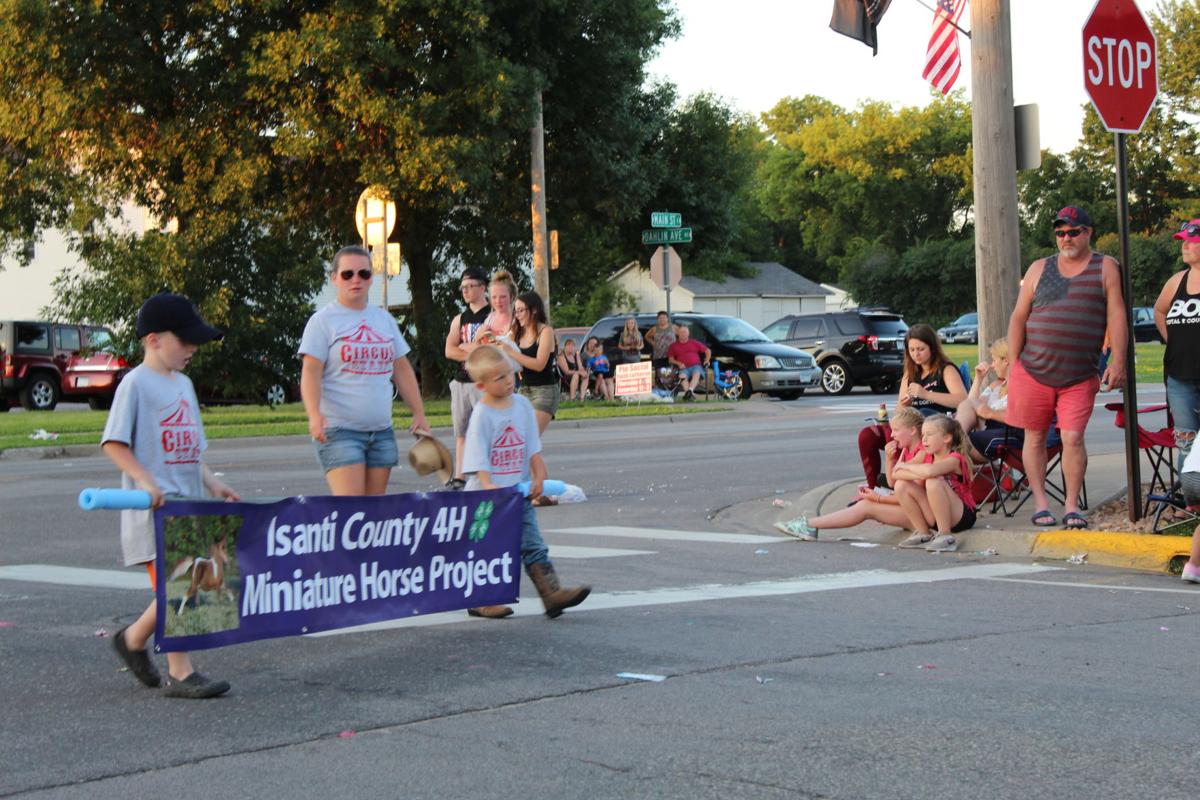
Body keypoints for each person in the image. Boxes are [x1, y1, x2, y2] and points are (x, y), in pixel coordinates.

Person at [101, 293, 239, 699]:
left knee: (186, 588)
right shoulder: (135, 385)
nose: (193, 348)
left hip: (190, 507)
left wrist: (212, 483)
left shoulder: (185, 385)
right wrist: (146, 482)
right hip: (155, 512)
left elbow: (191, 451)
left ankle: (131, 640)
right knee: (183, 590)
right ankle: (181, 673)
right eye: (185, 340)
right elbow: (113, 443)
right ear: (154, 339)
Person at [1007, 206, 1126, 530]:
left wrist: (1118, 360)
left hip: (1078, 375)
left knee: (1072, 437)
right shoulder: (1038, 269)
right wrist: (1014, 364)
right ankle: (1042, 502)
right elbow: (1019, 317)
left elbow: (1116, 315)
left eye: (1073, 231)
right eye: (1060, 232)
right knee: (1034, 438)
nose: (1066, 238)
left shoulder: (1106, 268)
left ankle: (1072, 505)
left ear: (1088, 233)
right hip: (1032, 370)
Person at [460, 345, 591, 618]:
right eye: (499, 378)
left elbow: (531, 445)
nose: (508, 381)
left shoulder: (521, 405)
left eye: (510, 374)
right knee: (489, 548)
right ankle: (481, 599)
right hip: (486, 496)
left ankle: (551, 594)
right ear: (482, 386)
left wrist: (539, 474)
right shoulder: (482, 414)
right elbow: (477, 457)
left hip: (517, 493)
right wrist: (488, 485)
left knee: (533, 543)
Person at [300, 246, 430, 496]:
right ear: (334, 278)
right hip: (340, 431)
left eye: (364, 273)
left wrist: (419, 414)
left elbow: (401, 369)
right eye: (348, 274)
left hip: (380, 431)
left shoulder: (383, 319)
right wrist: (314, 415)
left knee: (373, 516)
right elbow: (310, 372)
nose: (356, 279)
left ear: (372, 278)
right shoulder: (323, 321)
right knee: (352, 514)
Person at [776, 407, 930, 540]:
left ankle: (809, 525)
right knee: (865, 505)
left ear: (912, 430)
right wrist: (890, 459)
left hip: (922, 515)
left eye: (896, 430)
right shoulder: (906, 450)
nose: (891, 435)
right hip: (914, 511)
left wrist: (877, 498)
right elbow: (892, 484)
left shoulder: (921, 454)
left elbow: (907, 494)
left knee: (866, 507)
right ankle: (810, 524)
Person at [857, 323, 967, 488]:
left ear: (932, 348)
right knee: (867, 435)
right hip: (908, 430)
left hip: (934, 428)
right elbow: (900, 413)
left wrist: (926, 394)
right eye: (912, 349)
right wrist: (903, 405)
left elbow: (962, 400)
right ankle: (874, 487)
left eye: (921, 349)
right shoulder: (911, 373)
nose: (916, 354)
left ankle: (896, 481)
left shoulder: (945, 370)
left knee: (916, 417)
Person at [1153, 218, 1200, 469]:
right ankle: (1193, 501)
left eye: (1192, 241)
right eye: (1183, 241)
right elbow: (1159, 311)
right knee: (1187, 442)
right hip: (1179, 376)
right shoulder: (1176, 281)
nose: (1185, 246)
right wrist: (1171, 339)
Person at [894, 414, 977, 552]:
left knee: (933, 481)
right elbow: (896, 473)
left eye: (929, 434)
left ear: (946, 438)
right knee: (901, 485)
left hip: (961, 516)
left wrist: (905, 465)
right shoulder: (927, 455)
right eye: (923, 434)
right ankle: (923, 532)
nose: (924, 439)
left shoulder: (955, 459)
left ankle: (945, 536)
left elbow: (930, 472)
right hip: (936, 514)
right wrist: (908, 468)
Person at [444, 265, 491, 490]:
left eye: (470, 286)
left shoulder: (492, 316)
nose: (465, 291)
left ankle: (487, 475)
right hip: (461, 381)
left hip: (483, 382)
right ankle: (460, 476)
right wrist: (473, 349)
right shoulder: (459, 319)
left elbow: (489, 347)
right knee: (461, 431)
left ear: (483, 287)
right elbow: (449, 351)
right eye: (462, 287)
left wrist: (468, 347)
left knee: (484, 430)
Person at [500, 291, 559, 435]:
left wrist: (511, 351)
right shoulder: (517, 332)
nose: (517, 315)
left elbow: (539, 365)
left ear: (534, 310)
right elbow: (509, 360)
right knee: (518, 439)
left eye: (521, 310)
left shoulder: (545, 331)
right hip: (523, 390)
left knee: (529, 439)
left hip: (544, 391)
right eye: (516, 311)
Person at [956, 337, 1021, 463]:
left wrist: (987, 412)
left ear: (1006, 360)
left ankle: (954, 435)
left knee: (945, 444)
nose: (992, 364)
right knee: (946, 441)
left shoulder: (1021, 387)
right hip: (984, 433)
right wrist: (978, 379)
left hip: (1002, 436)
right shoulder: (996, 385)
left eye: (994, 359)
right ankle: (955, 435)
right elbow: (969, 406)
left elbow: (1017, 416)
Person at [667, 320, 710, 401]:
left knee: (696, 373)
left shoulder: (694, 343)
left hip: (696, 366)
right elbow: (670, 360)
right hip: (683, 367)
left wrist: (707, 360)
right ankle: (689, 393)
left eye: (685, 332)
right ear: (678, 333)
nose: (683, 334)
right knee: (682, 376)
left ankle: (689, 391)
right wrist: (678, 363)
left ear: (688, 333)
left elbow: (708, 351)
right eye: (681, 332)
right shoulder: (673, 346)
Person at [644, 310, 676, 388]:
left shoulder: (673, 327)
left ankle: (669, 389)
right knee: (659, 373)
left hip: (671, 355)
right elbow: (647, 336)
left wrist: (677, 346)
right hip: (659, 355)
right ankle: (659, 389)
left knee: (670, 373)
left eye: (664, 317)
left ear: (667, 318)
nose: (662, 319)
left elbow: (682, 335)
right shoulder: (655, 329)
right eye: (660, 318)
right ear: (658, 319)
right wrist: (653, 343)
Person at [556, 337, 588, 402]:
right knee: (576, 375)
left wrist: (578, 357)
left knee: (586, 376)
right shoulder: (561, 357)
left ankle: (582, 399)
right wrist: (579, 372)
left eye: (572, 345)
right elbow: (566, 371)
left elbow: (580, 368)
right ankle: (572, 398)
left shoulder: (574, 356)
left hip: (576, 376)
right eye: (568, 345)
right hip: (565, 377)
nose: (571, 347)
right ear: (565, 347)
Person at [584, 336, 614, 400]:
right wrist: (594, 365)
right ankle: (606, 396)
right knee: (601, 379)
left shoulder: (603, 357)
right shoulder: (591, 359)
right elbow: (589, 368)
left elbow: (608, 366)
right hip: (596, 373)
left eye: (600, 350)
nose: (599, 351)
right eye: (597, 350)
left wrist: (607, 363)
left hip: (605, 372)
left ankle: (612, 398)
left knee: (610, 380)